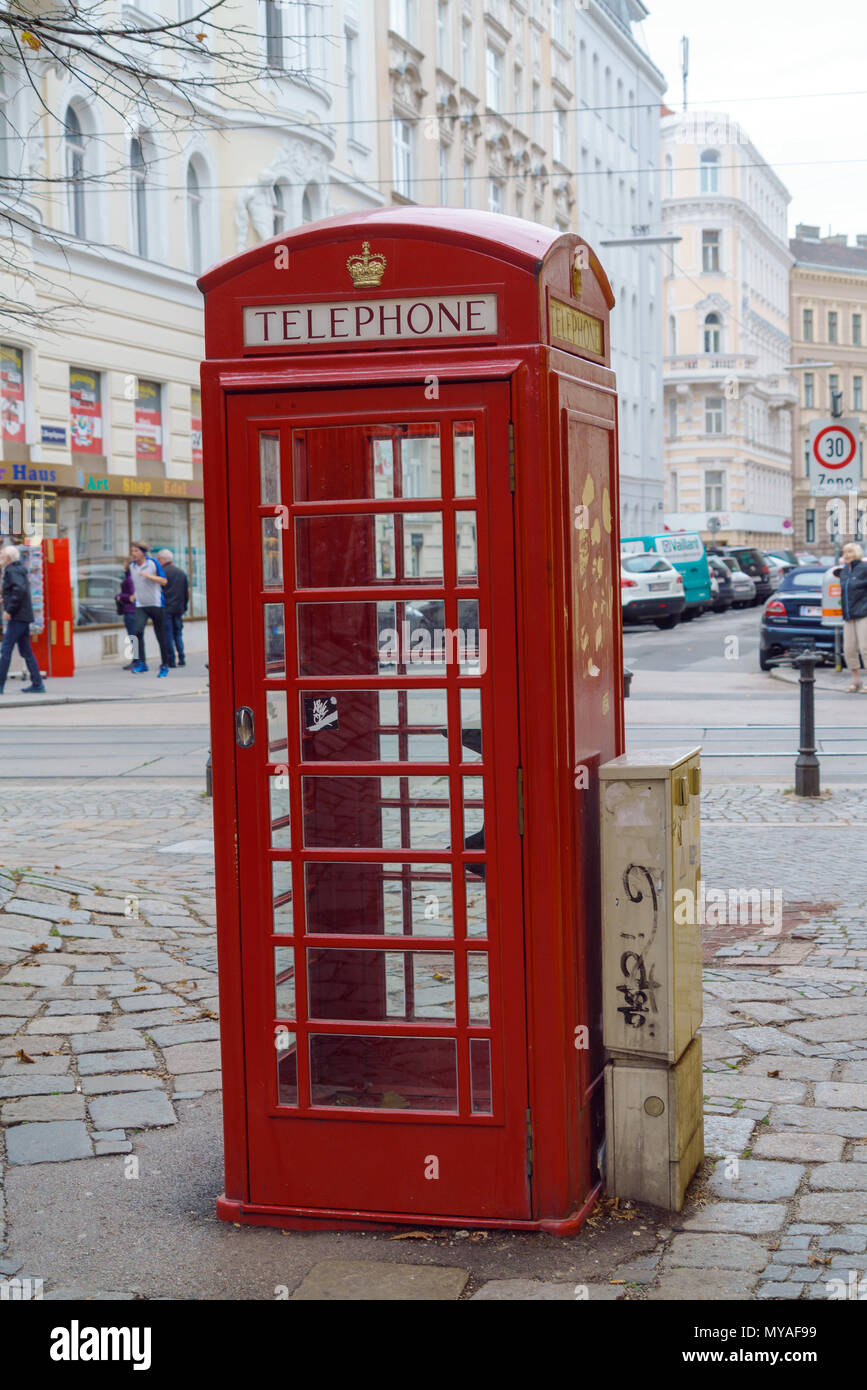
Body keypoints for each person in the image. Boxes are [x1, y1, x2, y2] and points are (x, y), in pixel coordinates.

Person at [0, 544, 45, 694]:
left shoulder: (11, 571)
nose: (0, 558)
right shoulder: (19, 570)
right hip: (24, 616)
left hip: (17, 616)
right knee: (26, 651)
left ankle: (0, 685)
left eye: (1, 555)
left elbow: (19, 590)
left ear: (8, 558)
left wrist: (9, 610)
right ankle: (38, 684)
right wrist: (4, 599)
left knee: (5, 650)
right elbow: (18, 590)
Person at [129, 542, 171, 677]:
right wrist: (134, 595)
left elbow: (164, 581)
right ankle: (142, 663)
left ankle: (164, 665)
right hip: (141, 604)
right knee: (137, 632)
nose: (133, 553)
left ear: (142, 552)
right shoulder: (132, 566)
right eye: (132, 551)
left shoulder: (152, 563)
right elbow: (137, 584)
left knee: (160, 635)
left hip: (156, 603)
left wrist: (148, 576)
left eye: (136, 551)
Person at [840, 541, 867, 692]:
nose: (846, 555)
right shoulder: (844, 571)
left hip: (864, 614)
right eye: (845, 552)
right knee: (849, 649)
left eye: (850, 552)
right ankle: (856, 682)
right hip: (849, 615)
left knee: (865, 648)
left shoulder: (864, 568)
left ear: (857, 553)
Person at [157, 549, 189, 668]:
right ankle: (181, 657)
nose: (158, 561)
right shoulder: (181, 572)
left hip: (166, 608)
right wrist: (184, 607)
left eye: (159, 559)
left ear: (164, 559)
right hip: (178, 609)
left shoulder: (161, 574)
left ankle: (171, 660)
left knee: (168, 635)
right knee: (178, 634)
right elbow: (186, 593)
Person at [116, 564, 137, 670]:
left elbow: (132, 596)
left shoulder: (130, 579)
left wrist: (120, 596)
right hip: (131, 610)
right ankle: (137, 660)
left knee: (133, 636)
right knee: (134, 636)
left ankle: (136, 660)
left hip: (130, 610)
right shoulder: (130, 577)